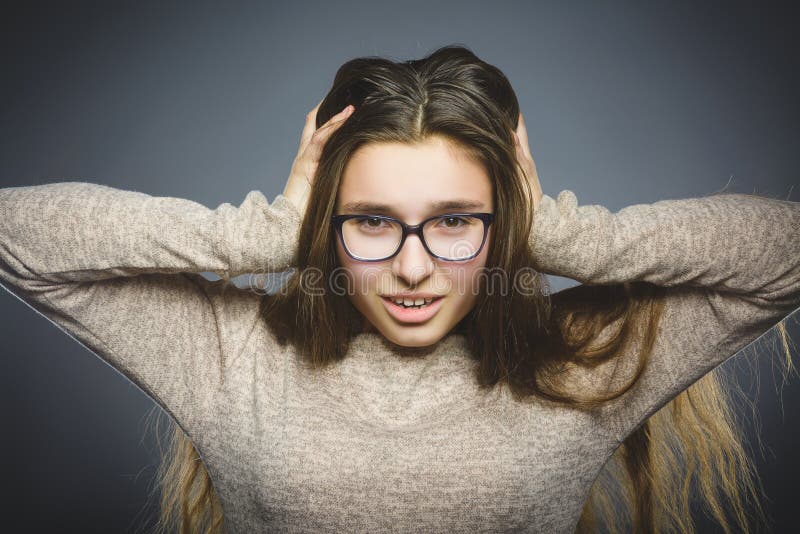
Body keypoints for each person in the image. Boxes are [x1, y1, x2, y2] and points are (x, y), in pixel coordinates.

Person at [1, 44, 797, 534]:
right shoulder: (230, 355)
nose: (413, 268)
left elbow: (783, 254)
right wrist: (261, 233)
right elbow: (19, 236)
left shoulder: (577, 363)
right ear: (328, 224)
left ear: (499, 223)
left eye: (454, 222)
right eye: (373, 222)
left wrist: (559, 233)